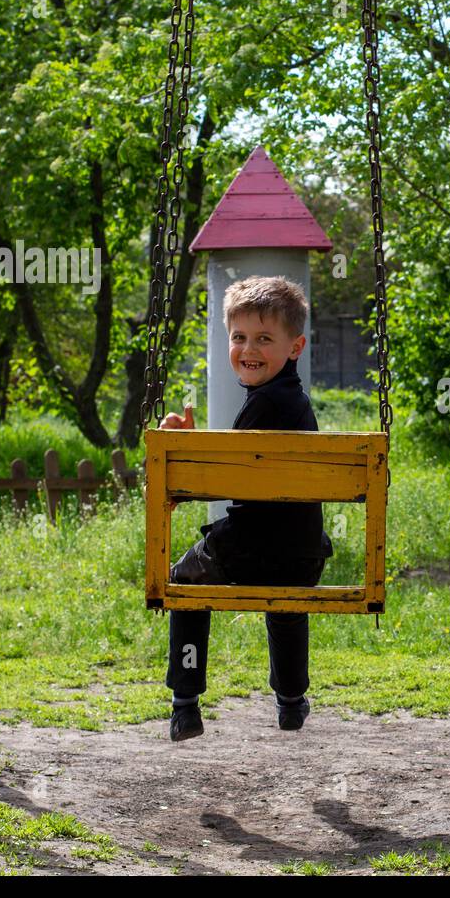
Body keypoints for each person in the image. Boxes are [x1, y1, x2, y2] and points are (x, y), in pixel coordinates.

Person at [158, 276, 333, 741]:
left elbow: (222, 480)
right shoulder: (294, 402)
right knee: (287, 595)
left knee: (184, 579)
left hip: (247, 553)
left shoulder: (262, 406)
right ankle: (292, 698)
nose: (248, 348)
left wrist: (183, 451)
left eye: (263, 339)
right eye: (239, 338)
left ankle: (185, 700)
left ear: (294, 347)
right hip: (302, 558)